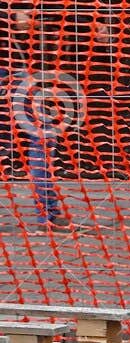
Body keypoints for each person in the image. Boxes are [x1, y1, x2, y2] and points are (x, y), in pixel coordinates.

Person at [1, 2, 72, 230]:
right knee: (42, 136)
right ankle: (48, 215)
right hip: (12, 75)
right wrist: (11, 16)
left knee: (42, 137)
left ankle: (48, 214)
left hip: (21, 74)